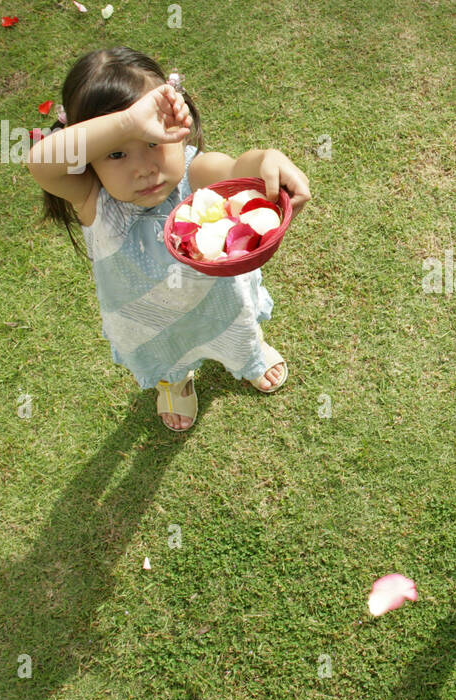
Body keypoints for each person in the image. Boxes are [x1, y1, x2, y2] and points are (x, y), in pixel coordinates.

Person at [26, 47, 311, 431]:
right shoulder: (94, 202)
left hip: (217, 302)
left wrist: (266, 160)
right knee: (167, 357)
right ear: (87, 159)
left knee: (237, 331)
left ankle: (249, 356)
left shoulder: (197, 174)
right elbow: (41, 162)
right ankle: (174, 383)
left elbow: (238, 170)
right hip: (150, 321)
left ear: (182, 129)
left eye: (153, 141)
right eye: (115, 153)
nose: (144, 168)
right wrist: (131, 120)